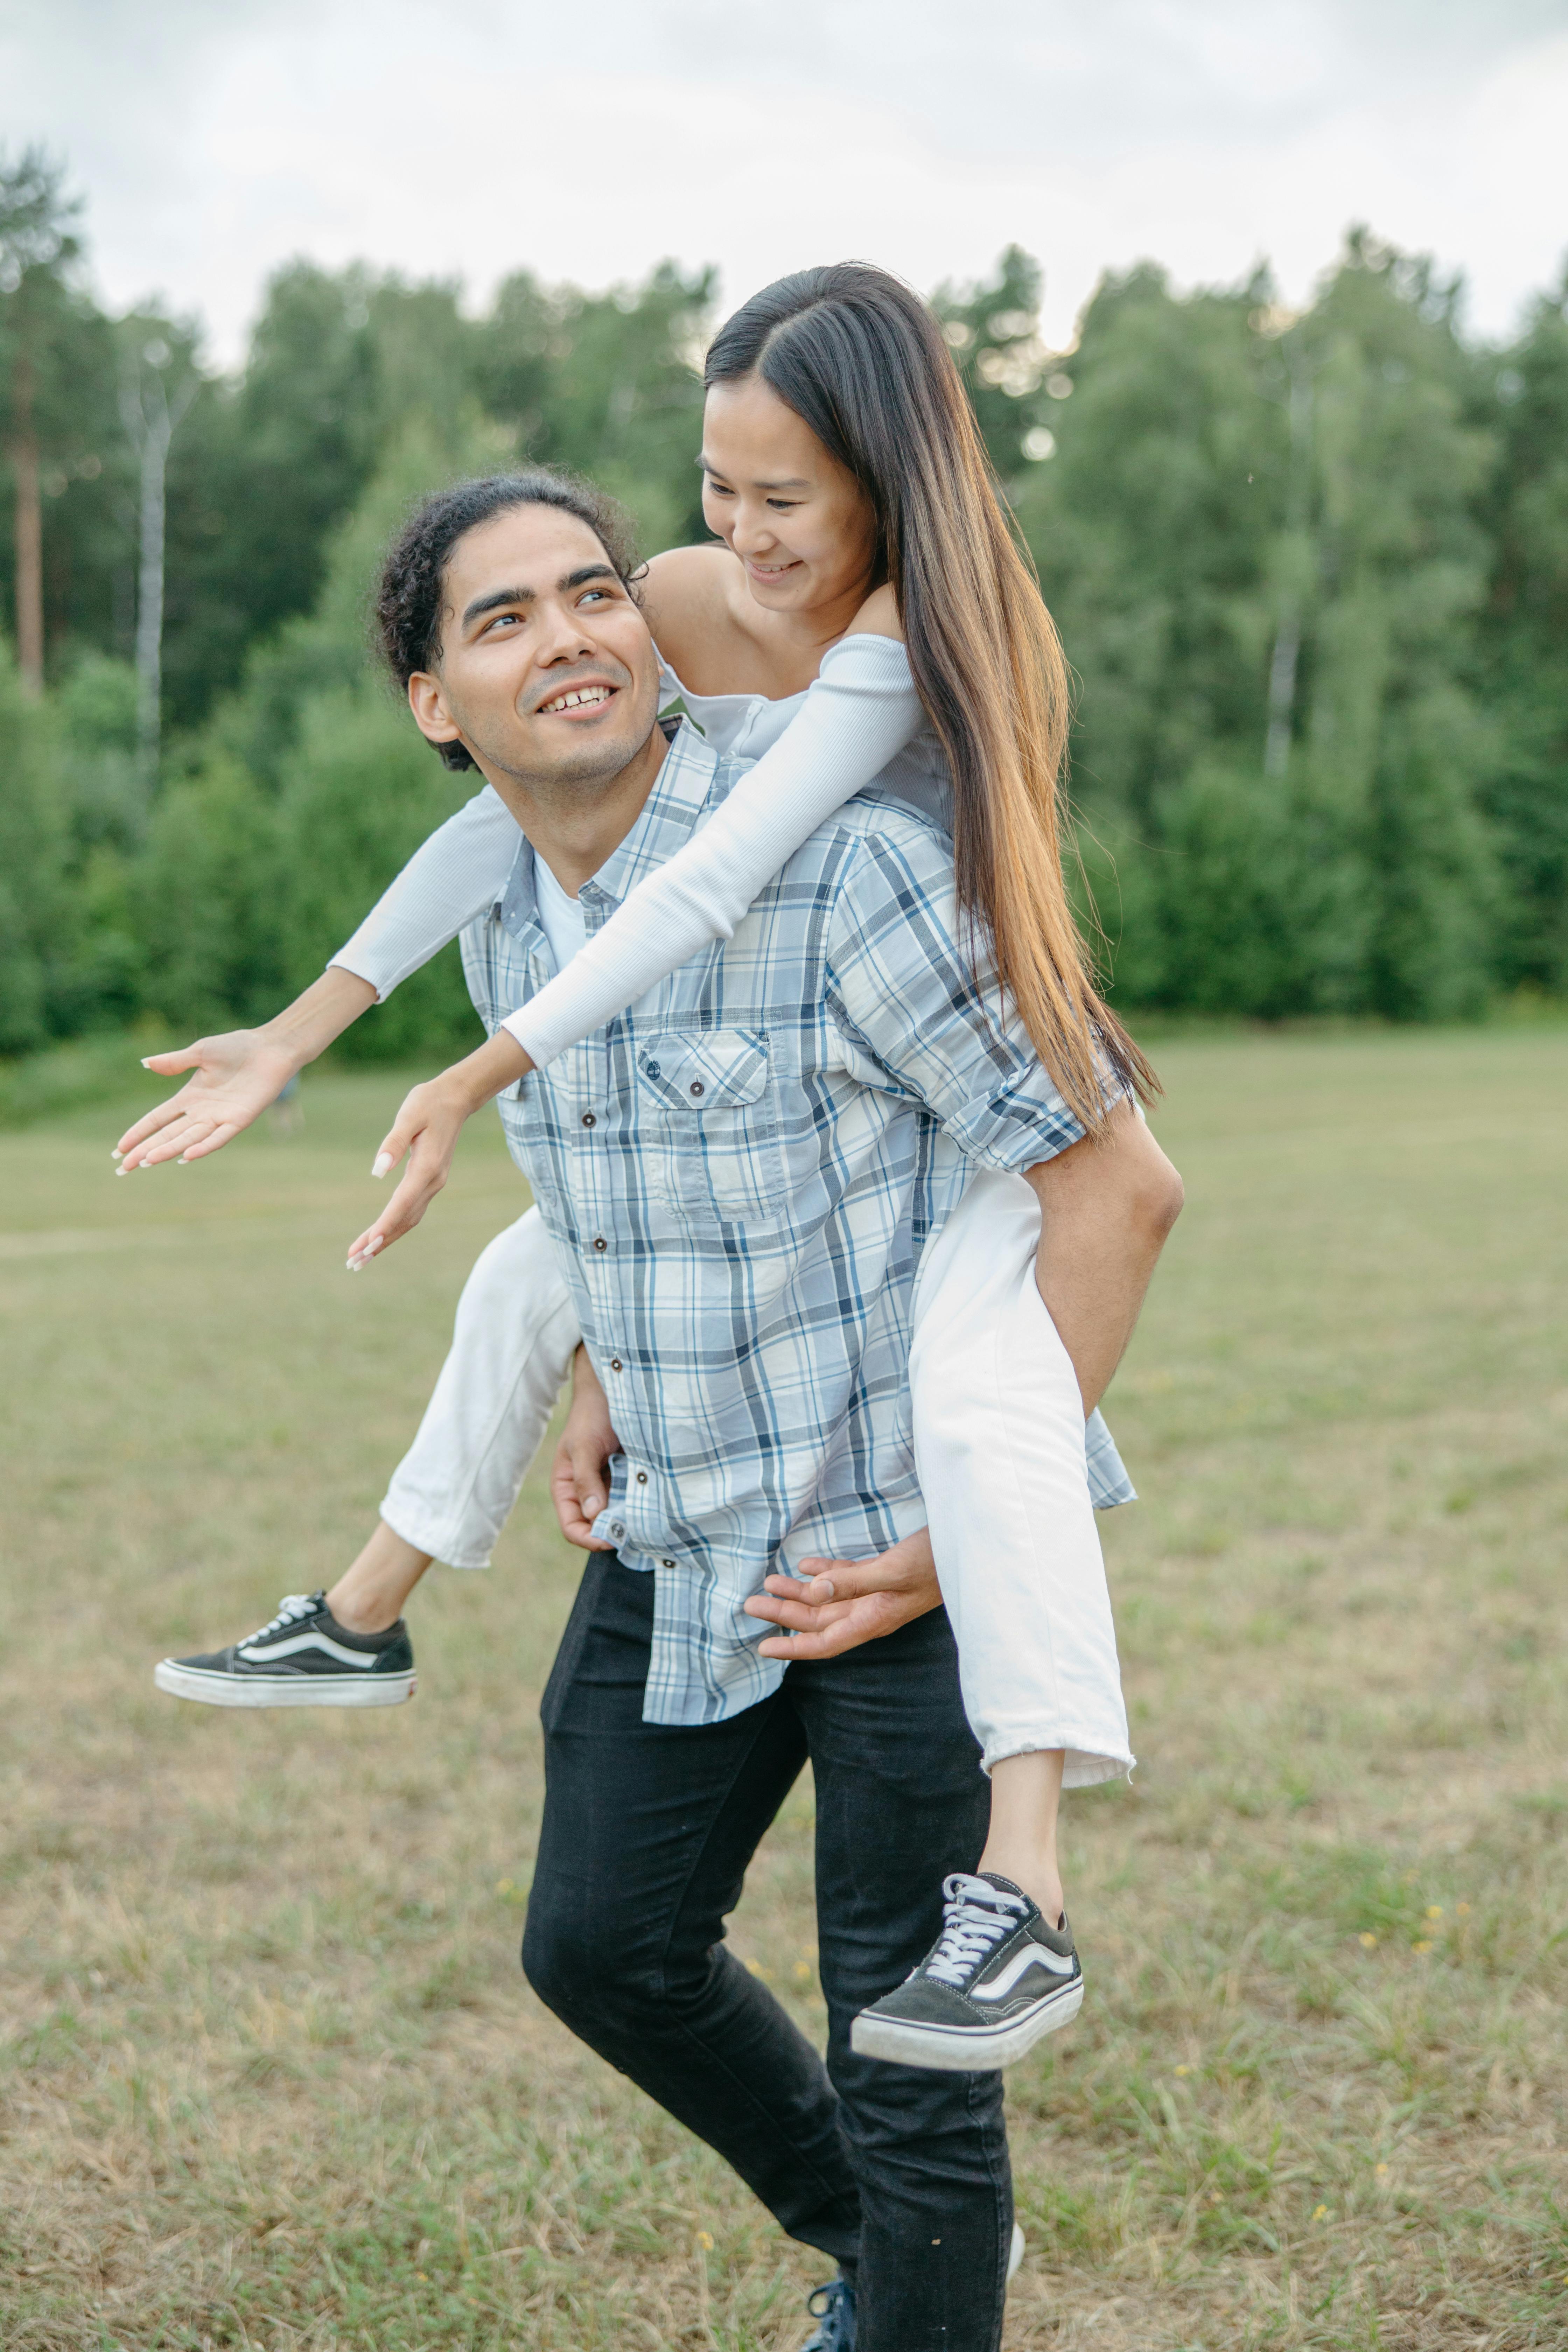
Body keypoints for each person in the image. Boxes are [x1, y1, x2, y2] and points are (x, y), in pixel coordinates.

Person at [125, 266, 1177, 2096]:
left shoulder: (894, 659)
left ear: (886, 487)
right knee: (523, 1285)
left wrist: (480, 1068)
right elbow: (508, 818)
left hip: (927, 1120)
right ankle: (362, 1615)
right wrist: (305, 1028)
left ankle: (1029, 1878)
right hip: (739, 1123)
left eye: (785, 500)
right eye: (715, 490)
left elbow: (702, 888)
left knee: (986, 1418)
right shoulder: (689, 606)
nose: (736, 540)